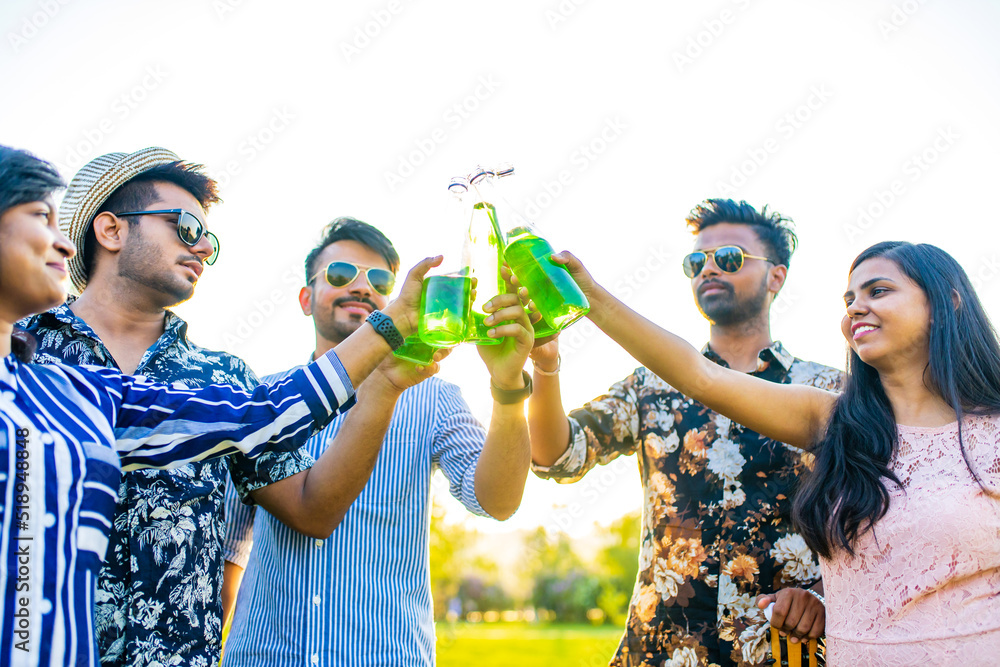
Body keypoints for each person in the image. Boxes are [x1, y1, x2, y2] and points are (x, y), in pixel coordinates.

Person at [0, 146, 434, 667]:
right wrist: (388, 326)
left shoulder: (219, 378)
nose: (204, 247)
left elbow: (310, 505)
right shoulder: (22, 355)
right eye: (185, 227)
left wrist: (383, 383)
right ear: (111, 230)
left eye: (209, 237)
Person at [540, 240, 1000, 665]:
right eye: (849, 299)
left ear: (947, 303)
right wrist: (589, 296)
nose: (856, 307)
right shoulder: (834, 421)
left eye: (878, 291)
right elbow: (702, 377)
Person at [526, 200, 842, 666]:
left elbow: (884, 523)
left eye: (729, 258)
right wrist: (545, 364)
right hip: (661, 652)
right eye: (696, 261)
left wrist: (820, 593)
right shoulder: (651, 385)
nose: (708, 268)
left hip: (787, 652)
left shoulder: (831, 391)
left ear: (776, 276)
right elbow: (557, 455)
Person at [222, 218, 534, 666]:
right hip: (263, 655)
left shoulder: (434, 396)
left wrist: (508, 388)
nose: (361, 287)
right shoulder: (260, 397)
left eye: (380, 280)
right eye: (340, 275)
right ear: (306, 298)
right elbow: (230, 549)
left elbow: (497, 502)